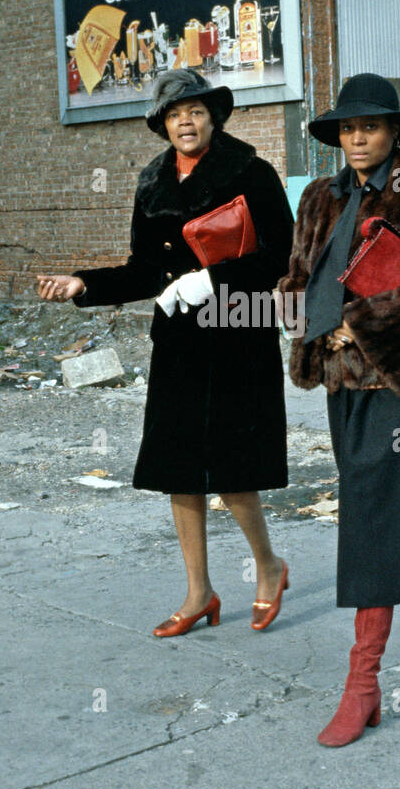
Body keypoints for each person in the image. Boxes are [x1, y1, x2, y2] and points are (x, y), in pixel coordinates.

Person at [37, 69, 293, 636]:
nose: (186, 121)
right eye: (175, 114)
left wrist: (215, 279)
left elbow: (283, 253)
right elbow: (144, 270)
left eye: (196, 111)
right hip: (178, 338)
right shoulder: (152, 181)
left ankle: (269, 566)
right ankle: (199, 592)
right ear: (162, 124)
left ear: (213, 117)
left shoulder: (251, 172)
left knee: (232, 466)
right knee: (179, 467)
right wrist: (85, 283)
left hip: (236, 332)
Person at [275, 73, 400, 747]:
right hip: (342, 383)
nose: (356, 137)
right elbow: (297, 280)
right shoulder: (318, 197)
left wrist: (359, 324)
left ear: (394, 132)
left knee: (374, 517)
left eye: (370, 126)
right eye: (346, 127)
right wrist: (304, 316)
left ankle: (362, 686)